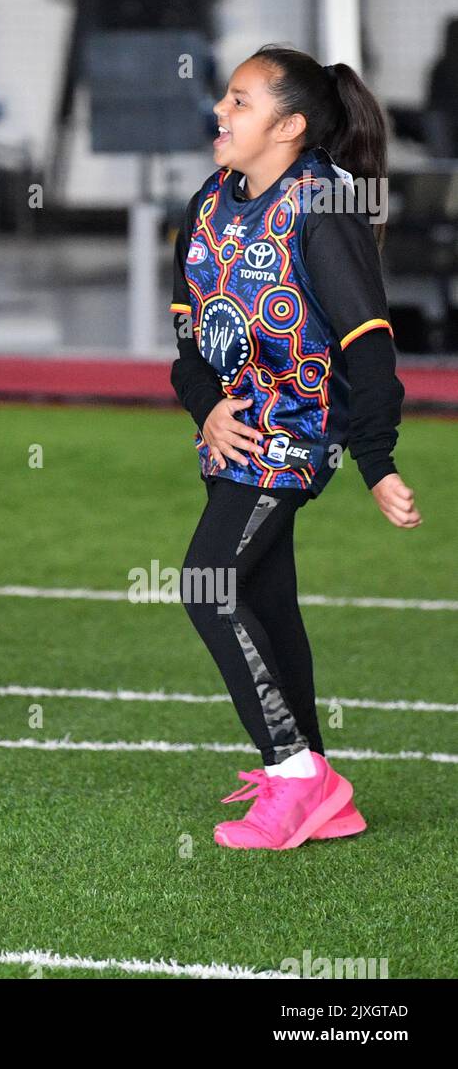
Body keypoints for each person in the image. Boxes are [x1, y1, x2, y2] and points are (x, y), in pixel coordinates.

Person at [170, 43, 421, 851]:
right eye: (226, 98)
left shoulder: (321, 209)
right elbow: (184, 347)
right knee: (267, 603)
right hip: (230, 442)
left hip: (293, 441)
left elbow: (370, 347)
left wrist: (375, 462)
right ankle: (320, 786)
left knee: (207, 584)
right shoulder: (208, 202)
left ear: (290, 127)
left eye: (240, 102)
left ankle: (293, 774)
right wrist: (205, 409)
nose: (220, 110)